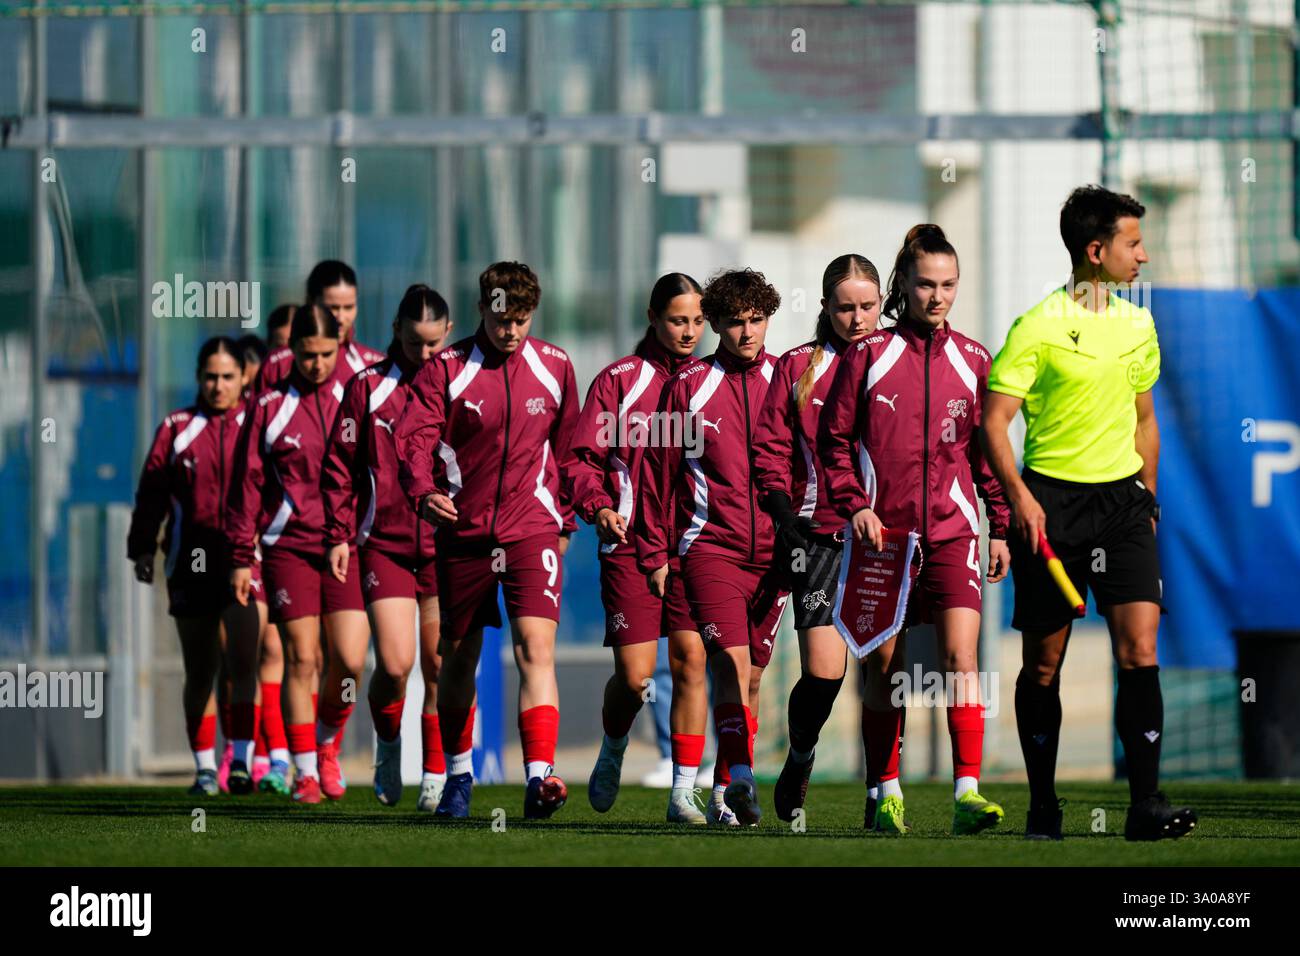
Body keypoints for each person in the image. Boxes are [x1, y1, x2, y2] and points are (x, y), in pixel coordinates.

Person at [981, 185, 1197, 842]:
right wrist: (1019, 498)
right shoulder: (1037, 325)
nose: (1145, 255)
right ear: (1095, 251)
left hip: (1125, 507)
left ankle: (1145, 806)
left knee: (1140, 648)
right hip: (1052, 508)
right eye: (1133, 243)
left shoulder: (1139, 324)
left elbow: (1145, 419)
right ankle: (1043, 805)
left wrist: (1147, 495)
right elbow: (993, 424)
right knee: (1043, 666)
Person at [820, 225, 1011, 836]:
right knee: (887, 670)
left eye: (949, 285)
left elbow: (987, 457)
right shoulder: (866, 356)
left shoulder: (976, 360)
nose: (938, 296)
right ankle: (888, 792)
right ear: (903, 282)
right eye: (926, 284)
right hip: (885, 541)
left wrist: (998, 526)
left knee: (960, 658)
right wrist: (855, 504)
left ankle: (967, 794)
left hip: (954, 534)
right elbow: (835, 442)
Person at [397, 261, 580, 820]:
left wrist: (567, 518)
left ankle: (539, 778)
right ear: (481, 309)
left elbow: (572, 449)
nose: (511, 331)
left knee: (534, 648)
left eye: (522, 320)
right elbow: (414, 438)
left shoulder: (555, 367)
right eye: (502, 319)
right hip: (465, 532)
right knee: (458, 657)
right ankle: (456, 776)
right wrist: (424, 491)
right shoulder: (446, 370)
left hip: (532, 529)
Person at [636, 268, 788, 826]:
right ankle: (743, 778)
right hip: (710, 547)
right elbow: (658, 473)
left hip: (776, 555)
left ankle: (726, 791)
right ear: (715, 325)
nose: (746, 332)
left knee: (751, 677)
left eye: (755, 320)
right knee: (727, 658)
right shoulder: (687, 386)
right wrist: (654, 552)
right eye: (733, 322)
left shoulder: (792, 378)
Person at [565, 273, 710, 824]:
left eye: (698, 320)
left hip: (696, 545)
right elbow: (580, 460)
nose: (690, 331)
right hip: (627, 544)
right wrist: (599, 505)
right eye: (678, 320)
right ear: (652, 317)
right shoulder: (619, 381)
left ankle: (683, 789)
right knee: (635, 676)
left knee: (692, 660)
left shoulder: (713, 380)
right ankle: (614, 746)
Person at [751, 254, 882, 822]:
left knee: (887, 672)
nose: (857, 318)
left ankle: (885, 792)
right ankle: (801, 755)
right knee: (825, 671)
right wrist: (784, 517)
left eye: (868, 307)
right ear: (826, 307)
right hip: (821, 536)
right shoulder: (798, 367)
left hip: (886, 537)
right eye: (845, 307)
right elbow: (771, 448)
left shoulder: (897, 358)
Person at [226, 304, 367, 804]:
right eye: (308, 355)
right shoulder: (268, 406)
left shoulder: (358, 397)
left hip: (345, 547)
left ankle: (327, 743)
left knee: (349, 661)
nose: (317, 364)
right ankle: (305, 770)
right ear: (292, 352)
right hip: (287, 547)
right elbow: (246, 485)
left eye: (327, 353)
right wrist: (243, 555)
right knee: (302, 658)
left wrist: (355, 532)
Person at [322, 284, 454, 810]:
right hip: (387, 547)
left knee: (441, 666)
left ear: (447, 334)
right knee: (396, 666)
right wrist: (338, 533)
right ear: (396, 329)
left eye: (434, 343)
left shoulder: (460, 381)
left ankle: (436, 773)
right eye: (415, 342)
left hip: (448, 548)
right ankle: (388, 745)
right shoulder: (366, 389)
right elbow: (339, 469)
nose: (426, 354)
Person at [128, 337, 266, 795]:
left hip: (246, 560)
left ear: (243, 377)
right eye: (210, 376)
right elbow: (151, 493)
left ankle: (242, 762)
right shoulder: (176, 427)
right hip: (191, 562)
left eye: (228, 376)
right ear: (197, 378)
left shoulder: (258, 423)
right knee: (201, 667)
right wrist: (143, 548)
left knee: (244, 660)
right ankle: (205, 768)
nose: (219, 385)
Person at [255, 262, 385, 391]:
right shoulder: (277, 364)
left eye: (349, 307)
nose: (341, 317)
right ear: (310, 302)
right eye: (332, 307)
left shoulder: (374, 365)